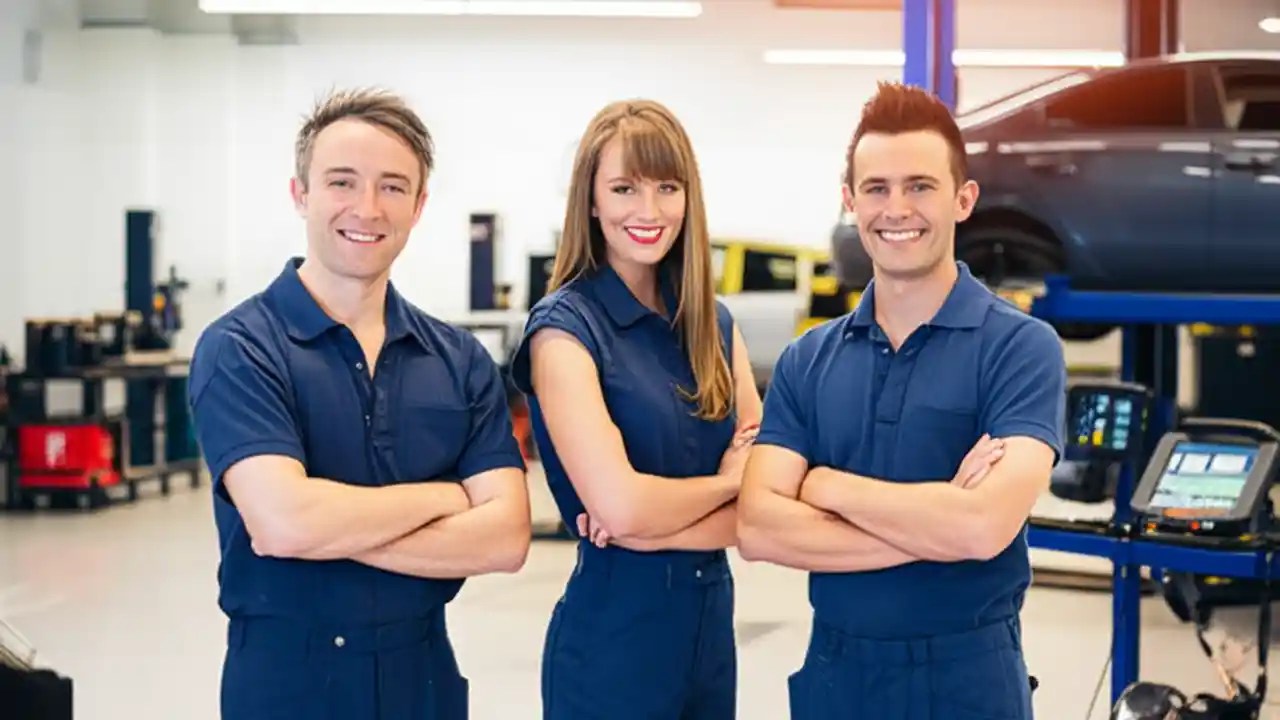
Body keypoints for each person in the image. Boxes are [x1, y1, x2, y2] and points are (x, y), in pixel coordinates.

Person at [187, 87, 532, 720]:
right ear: (301, 194)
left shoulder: (459, 361)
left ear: (420, 205)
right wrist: (445, 497)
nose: (367, 209)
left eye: (393, 187)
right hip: (288, 682)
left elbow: (506, 539)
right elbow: (284, 524)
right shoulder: (241, 349)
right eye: (342, 182)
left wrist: (321, 527)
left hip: (423, 677)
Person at [737, 81, 1065, 720]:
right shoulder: (809, 360)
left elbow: (985, 525)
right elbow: (756, 528)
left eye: (920, 186)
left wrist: (826, 485)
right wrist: (940, 523)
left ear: (963, 199)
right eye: (876, 188)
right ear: (849, 202)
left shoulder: (1021, 348)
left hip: (966, 675)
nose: (897, 209)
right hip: (837, 672)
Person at [509, 98, 763, 720]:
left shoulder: (711, 324)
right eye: (624, 188)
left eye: (666, 188)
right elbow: (620, 506)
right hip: (612, 646)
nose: (648, 211)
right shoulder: (565, 332)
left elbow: (770, 503)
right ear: (591, 202)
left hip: (708, 637)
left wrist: (647, 523)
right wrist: (728, 484)